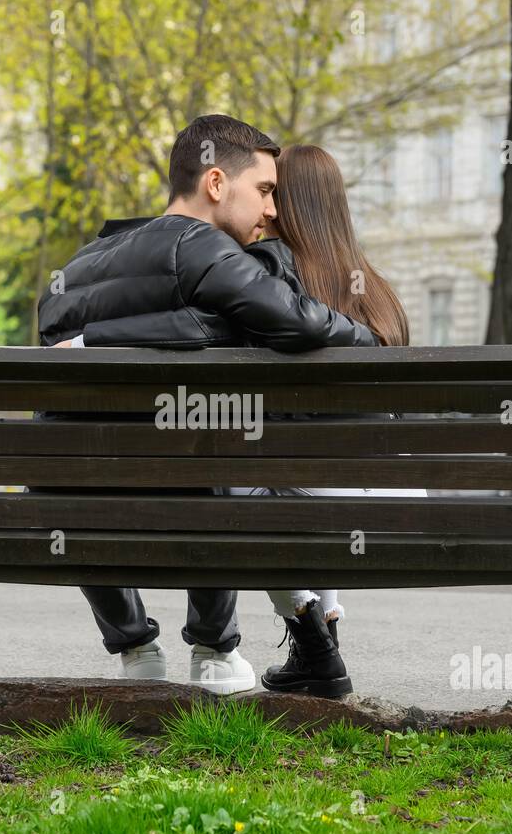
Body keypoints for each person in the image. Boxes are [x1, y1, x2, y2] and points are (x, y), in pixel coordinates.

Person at [35, 115, 378, 696]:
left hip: (82, 494)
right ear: (216, 183)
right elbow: (293, 323)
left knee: (71, 457)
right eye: (266, 191)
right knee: (222, 447)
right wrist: (367, 340)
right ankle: (214, 651)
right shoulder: (208, 250)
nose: (273, 210)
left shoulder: (77, 268)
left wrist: (102, 340)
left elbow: (52, 325)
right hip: (195, 490)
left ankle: (136, 647)